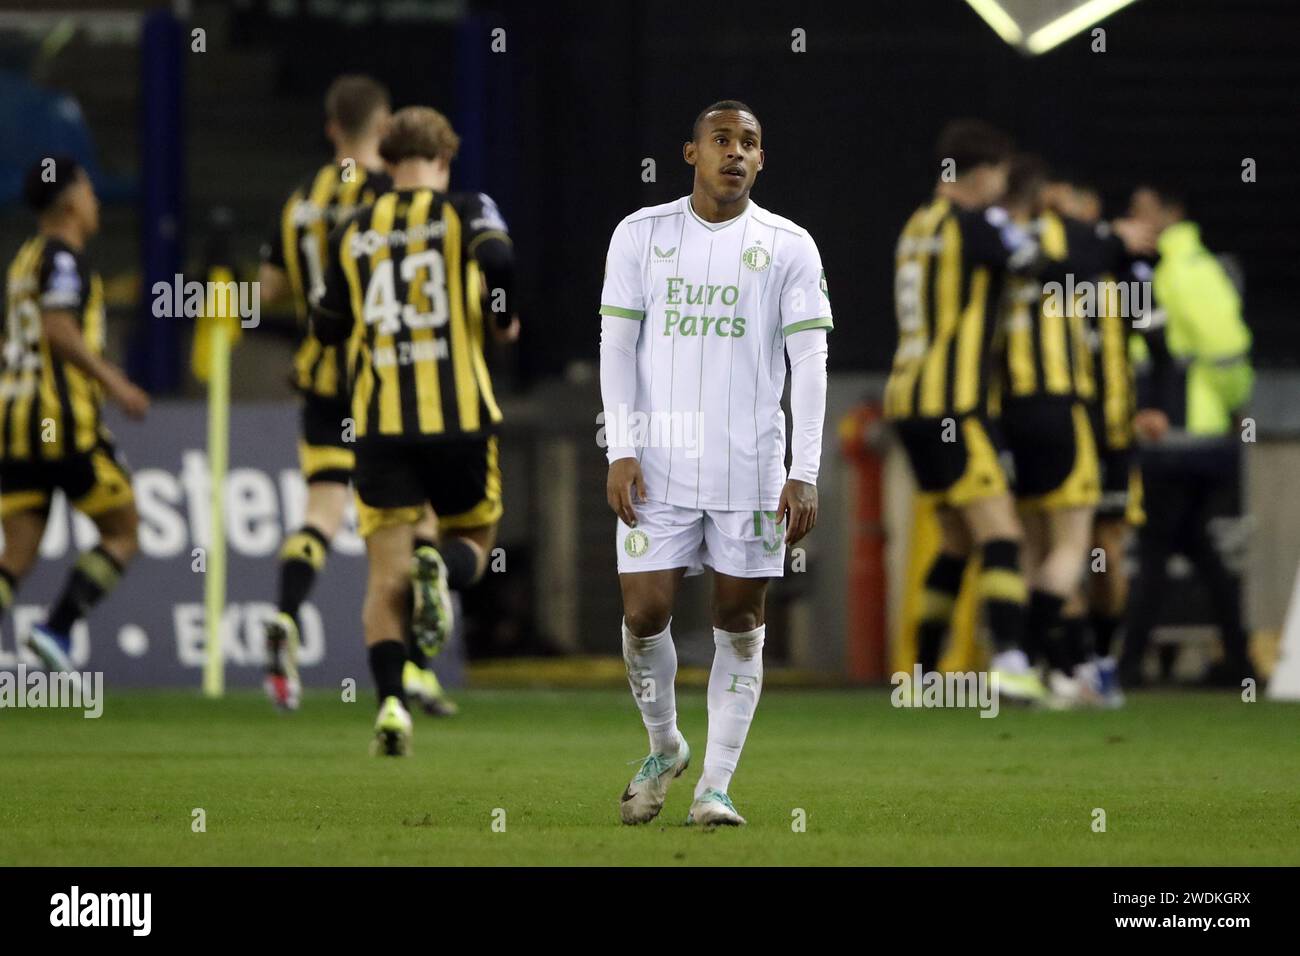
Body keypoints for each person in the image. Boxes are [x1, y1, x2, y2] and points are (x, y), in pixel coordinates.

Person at [599, 100, 830, 826]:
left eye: (749, 143)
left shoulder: (789, 245)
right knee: (644, 612)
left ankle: (715, 786)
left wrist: (806, 467)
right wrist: (622, 447)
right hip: (658, 466)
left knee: (739, 618)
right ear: (691, 152)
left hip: (749, 471)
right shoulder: (642, 235)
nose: (735, 152)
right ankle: (666, 745)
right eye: (721, 139)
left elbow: (810, 360)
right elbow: (616, 347)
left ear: (762, 160)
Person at [312, 105, 518, 754]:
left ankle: (391, 709)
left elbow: (326, 325)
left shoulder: (352, 226)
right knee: (477, 536)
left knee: (383, 581)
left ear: (387, 160)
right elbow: (501, 262)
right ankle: (444, 567)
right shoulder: (466, 208)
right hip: (458, 417)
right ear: (444, 157)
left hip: (379, 426)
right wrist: (501, 319)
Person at [258, 75, 455, 716]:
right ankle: (417, 671)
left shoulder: (300, 201)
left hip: (319, 376)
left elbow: (266, 294)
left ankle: (285, 615)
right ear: (386, 124)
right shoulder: (392, 196)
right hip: (386, 375)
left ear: (330, 126)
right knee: (415, 516)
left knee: (320, 509)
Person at [996, 158, 1147, 706]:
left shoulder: (1002, 246)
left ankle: (1064, 662)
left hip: (1033, 416)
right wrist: (1126, 243)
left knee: (1058, 547)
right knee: (1070, 547)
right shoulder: (1078, 246)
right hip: (1065, 413)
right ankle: (1035, 657)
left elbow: (1151, 326)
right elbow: (1104, 255)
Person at [0, 157, 150, 672]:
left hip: (14, 423)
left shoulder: (24, 260)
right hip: (61, 420)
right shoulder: (65, 258)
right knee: (124, 530)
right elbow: (58, 328)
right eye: (88, 189)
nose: (96, 199)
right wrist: (116, 383)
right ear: (68, 202)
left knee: (15, 557)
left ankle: (53, 629)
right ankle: (57, 628)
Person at [1120, 184, 1255, 688]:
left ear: (1173, 213)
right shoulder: (1169, 267)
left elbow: (1226, 348)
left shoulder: (1187, 269)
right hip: (1187, 435)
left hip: (1182, 438)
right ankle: (1237, 661)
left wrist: (1224, 402)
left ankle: (1130, 664)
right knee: (1197, 548)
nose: (1135, 219)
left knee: (1156, 547)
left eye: (1144, 210)